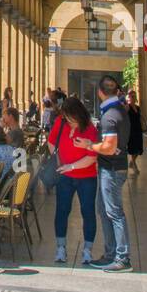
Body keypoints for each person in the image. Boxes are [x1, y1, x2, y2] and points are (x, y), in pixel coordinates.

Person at [74, 74, 132, 271]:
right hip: (113, 168)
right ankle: (111, 253)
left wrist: (90, 145)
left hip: (112, 170)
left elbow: (109, 147)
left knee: (114, 212)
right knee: (105, 210)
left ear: (100, 92)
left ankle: (122, 257)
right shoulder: (120, 111)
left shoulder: (109, 116)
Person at [52, 95, 99, 266]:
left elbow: (92, 158)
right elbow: (51, 143)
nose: (69, 122)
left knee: (87, 212)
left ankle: (87, 250)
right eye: (66, 118)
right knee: (62, 210)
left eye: (71, 118)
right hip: (64, 177)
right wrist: (58, 159)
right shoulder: (60, 122)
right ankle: (61, 248)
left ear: (79, 114)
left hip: (86, 178)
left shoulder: (90, 129)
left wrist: (71, 166)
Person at [126, 89, 144, 173]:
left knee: (139, 147)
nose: (133, 98)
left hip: (138, 129)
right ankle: (134, 164)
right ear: (129, 97)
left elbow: (139, 117)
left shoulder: (137, 107)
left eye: (134, 96)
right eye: (131, 96)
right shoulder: (127, 107)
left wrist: (143, 126)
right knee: (133, 148)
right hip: (131, 130)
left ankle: (132, 162)